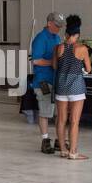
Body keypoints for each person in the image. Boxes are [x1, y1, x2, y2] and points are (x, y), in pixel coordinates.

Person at [54, 14, 91, 160]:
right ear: (78, 34)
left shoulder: (59, 47)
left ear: (66, 33)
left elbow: (55, 66)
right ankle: (73, 152)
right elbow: (88, 69)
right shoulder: (82, 48)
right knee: (74, 121)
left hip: (61, 86)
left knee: (61, 119)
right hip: (76, 87)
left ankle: (63, 149)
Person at [29, 12, 65, 154]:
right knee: (45, 110)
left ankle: (59, 139)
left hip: (55, 79)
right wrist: (53, 62)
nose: (58, 28)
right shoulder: (40, 39)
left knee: (58, 111)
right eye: (57, 25)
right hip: (43, 81)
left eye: (60, 26)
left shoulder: (56, 37)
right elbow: (36, 60)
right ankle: (45, 140)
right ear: (49, 23)